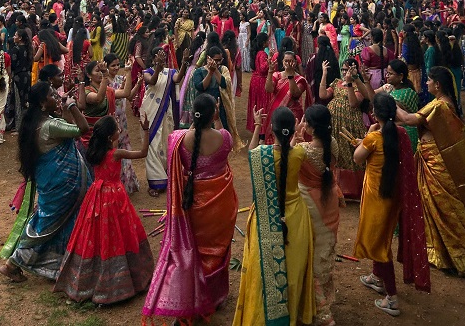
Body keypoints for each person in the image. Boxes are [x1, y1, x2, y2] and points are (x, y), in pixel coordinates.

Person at [143, 93, 238, 325]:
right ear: (214, 113)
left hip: (191, 204)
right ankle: (215, 297)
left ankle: (191, 297)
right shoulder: (224, 138)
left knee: (193, 251)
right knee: (217, 251)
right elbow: (227, 148)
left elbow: (172, 163)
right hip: (221, 204)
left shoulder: (177, 139)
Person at [54, 114, 154, 304]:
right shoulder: (116, 154)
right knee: (119, 235)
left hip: (96, 197)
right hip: (115, 197)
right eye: (117, 129)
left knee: (93, 236)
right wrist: (146, 129)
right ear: (110, 136)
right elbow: (143, 152)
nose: (119, 131)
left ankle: (85, 281)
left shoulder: (93, 152)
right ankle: (120, 283)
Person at [397, 66, 465, 276]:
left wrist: (389, 101)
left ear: (438, 85)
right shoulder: (445, 104)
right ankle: (442, 255)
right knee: (435, 206)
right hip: (433, 160)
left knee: (444, 208)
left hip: (437, 163)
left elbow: (410, 120)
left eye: (428, 80)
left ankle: (457, 257)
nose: (426, 83)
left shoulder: (439, 106)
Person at [348, 92, 430, 318]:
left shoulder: (375, 138)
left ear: (375, 114)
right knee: (380, 237)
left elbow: (357, 157)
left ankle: (391, 297)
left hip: (377, 198)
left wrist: (367, 136)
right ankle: (377, 277)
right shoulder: (401, 133)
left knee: (377, 243)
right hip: (392, 197)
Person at [0, 82, 90, 282]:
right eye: (51, 95)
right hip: (60, 186)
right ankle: (12, 263)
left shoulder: (38, 122)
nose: (56, 96)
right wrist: (73, 106)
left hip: (52, 183)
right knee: (45, 225)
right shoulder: (49, 126)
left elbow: (66, 130)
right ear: (41, 102)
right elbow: (83, 129)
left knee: (49, 222)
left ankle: (56, 265)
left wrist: (64, 108)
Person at [233, 107, 315, 326]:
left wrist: (257, 126)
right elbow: (290, 153)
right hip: (295, 218)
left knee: (264, 271)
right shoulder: (299, 153)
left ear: (272, 128)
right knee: (293, 271)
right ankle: (291, 313)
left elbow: (250, 152)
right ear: (292, 129)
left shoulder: (261, 154)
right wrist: (296, 137)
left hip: (266, 218)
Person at [295, 105, 341, 326]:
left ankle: (321, 312)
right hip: (329, 201)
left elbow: (285, 163)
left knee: (310, 255)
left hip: (311, 205)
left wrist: (295, 138)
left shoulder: (303, 150)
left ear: (311, 128)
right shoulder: (333, 144)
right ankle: (323, 301)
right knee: (324, 254)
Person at [141, 45, 188, 195]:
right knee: (152, 145)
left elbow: (178, 78)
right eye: (159, 55)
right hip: (150, 113)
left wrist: (184, 63)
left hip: (165, 114)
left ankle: (163, 176)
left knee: (164, 143)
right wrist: (159, 67)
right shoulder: (147, 72)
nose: (162, 57)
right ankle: (155, 183)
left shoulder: (170, 72)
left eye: (164, 55)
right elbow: (152, 81)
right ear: (154, 58)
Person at [320, 57, 369, 199]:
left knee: (351, 152)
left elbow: (354, 103)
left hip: (350, 126)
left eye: (347, 70)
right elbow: (323, 95)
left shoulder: (357, 85)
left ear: (354, 70)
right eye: (343, 69)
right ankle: (338, 188)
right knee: (337, 153)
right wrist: (324, 74)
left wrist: (349, 83)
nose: (344, 72)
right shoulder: (336, 82)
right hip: (334, 124)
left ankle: (354, 189)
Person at [193, 45, 244, 151]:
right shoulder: (198, 72)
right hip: (204, 104)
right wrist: (210, 72)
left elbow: (225, 84)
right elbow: (201, 86)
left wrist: (215, 70)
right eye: (216, 60)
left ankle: (220, 149)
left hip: (219, 104)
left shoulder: (223, 69)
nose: (218, 63)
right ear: (208, 58)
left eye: (220, 60)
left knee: (220, 127)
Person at [104, 52, 142, 193]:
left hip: (122, 120)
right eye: (112, 65)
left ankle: (126, 183)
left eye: (117, 65)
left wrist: (137, 84)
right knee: (112, 151)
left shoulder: (121, 78)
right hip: (110, 119)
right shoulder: (104, 82)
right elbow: (122, 94)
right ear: (106, 67)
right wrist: (128, 73)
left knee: (124, 148)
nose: (115, 67)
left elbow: (129, 96)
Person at [264, 49, 312, 137]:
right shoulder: (277, 75)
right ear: (282, 62)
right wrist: (270, 72)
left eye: (291, 61)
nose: (288, 63)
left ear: (295, 62)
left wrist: (290, 75)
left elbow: (295, 94)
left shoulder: (300, 79)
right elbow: (269, 89)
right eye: (286, 61)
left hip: (293, 115)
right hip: (277, 113)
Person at [373, 59, 419, 151]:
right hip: (395, 131)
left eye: (390, 74)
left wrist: (380, 128)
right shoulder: (389, 87)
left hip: (404, 134)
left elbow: (400, 120)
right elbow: (371, 97)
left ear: (400, 76)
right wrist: (364, 80)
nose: (387, 76)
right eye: (387, 73)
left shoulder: (404, 94)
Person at [4, 28, 33, 132]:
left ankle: (18, 125)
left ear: (20, 38)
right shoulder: (28, 48)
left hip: (18, 77)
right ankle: (25, 123)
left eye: (15, 35)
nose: (14, 37)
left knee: (16, 100)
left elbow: (12, 65)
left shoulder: (16, 49)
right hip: (27, 76)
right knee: (25, 99)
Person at [246, 32, 271, 133]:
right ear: (264, 43)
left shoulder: (256, 52)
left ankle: (257, 126)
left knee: (256, 102)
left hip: (255, 80)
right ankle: (262, 128)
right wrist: (270, 60)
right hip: (261, 80)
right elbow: (263, 68)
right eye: (267, 41)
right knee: (263, 102)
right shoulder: (263, 53)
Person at [306, 35, 340, 104]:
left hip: (317, 88)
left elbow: (308, 73)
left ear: (318, 45)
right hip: (330, 89)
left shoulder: (313, 58)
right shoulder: (333, 58)